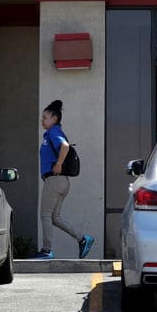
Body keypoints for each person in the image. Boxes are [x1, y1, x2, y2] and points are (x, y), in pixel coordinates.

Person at [33, 99, 94, 259]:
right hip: (61, 182)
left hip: (54, 180)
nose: (42, 120)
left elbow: (65, 146)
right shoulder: (52, 133)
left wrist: (58, 164)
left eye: (45, 117)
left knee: (45, 215)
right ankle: (82, 239)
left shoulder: (54, 132)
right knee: (55, 217)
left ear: (54, 119)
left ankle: (46, 250)